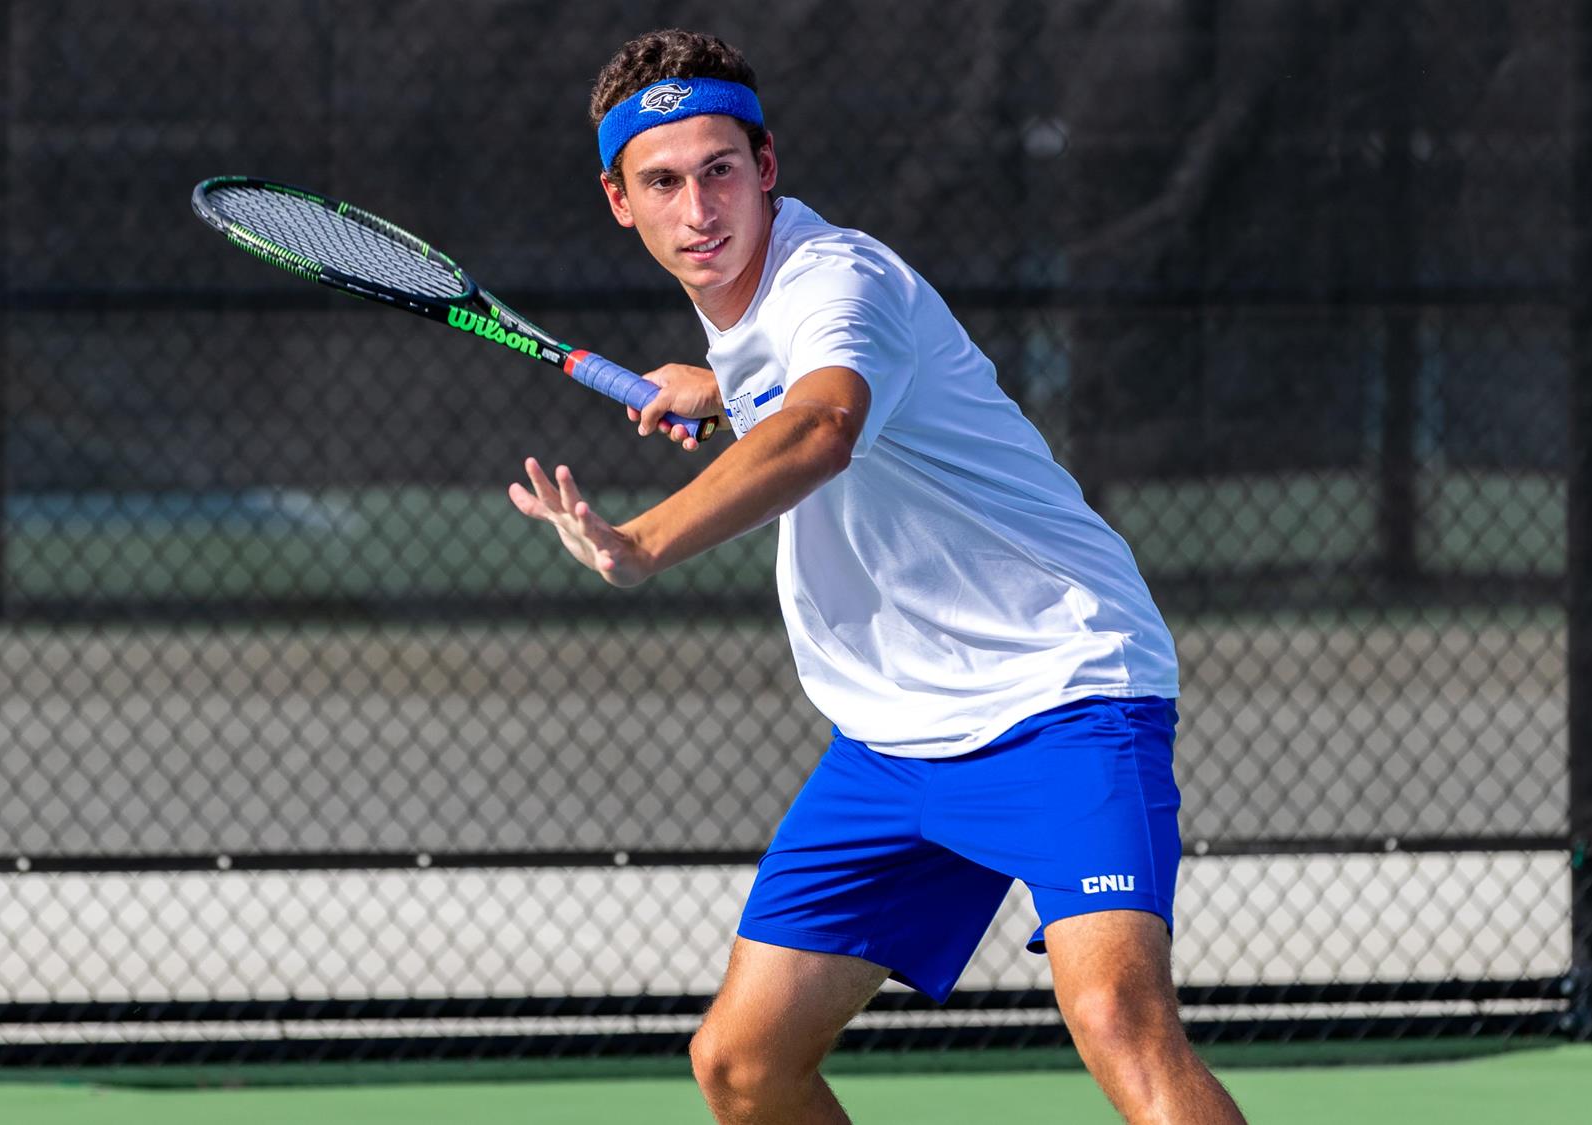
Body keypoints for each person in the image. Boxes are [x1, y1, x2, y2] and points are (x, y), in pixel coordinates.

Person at [507, 28, 1247, 1125]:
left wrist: (644, 539)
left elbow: (820, 427)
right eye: (662, 182)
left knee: (1117, 1027)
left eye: (719, 170)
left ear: (765, 169)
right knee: (743, 1064)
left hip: (1063, 690)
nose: (697, 209)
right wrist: (715, 386)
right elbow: (776, 382)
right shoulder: (751, 324)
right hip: (892, 739)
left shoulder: (839, 279)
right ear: (620, 201)